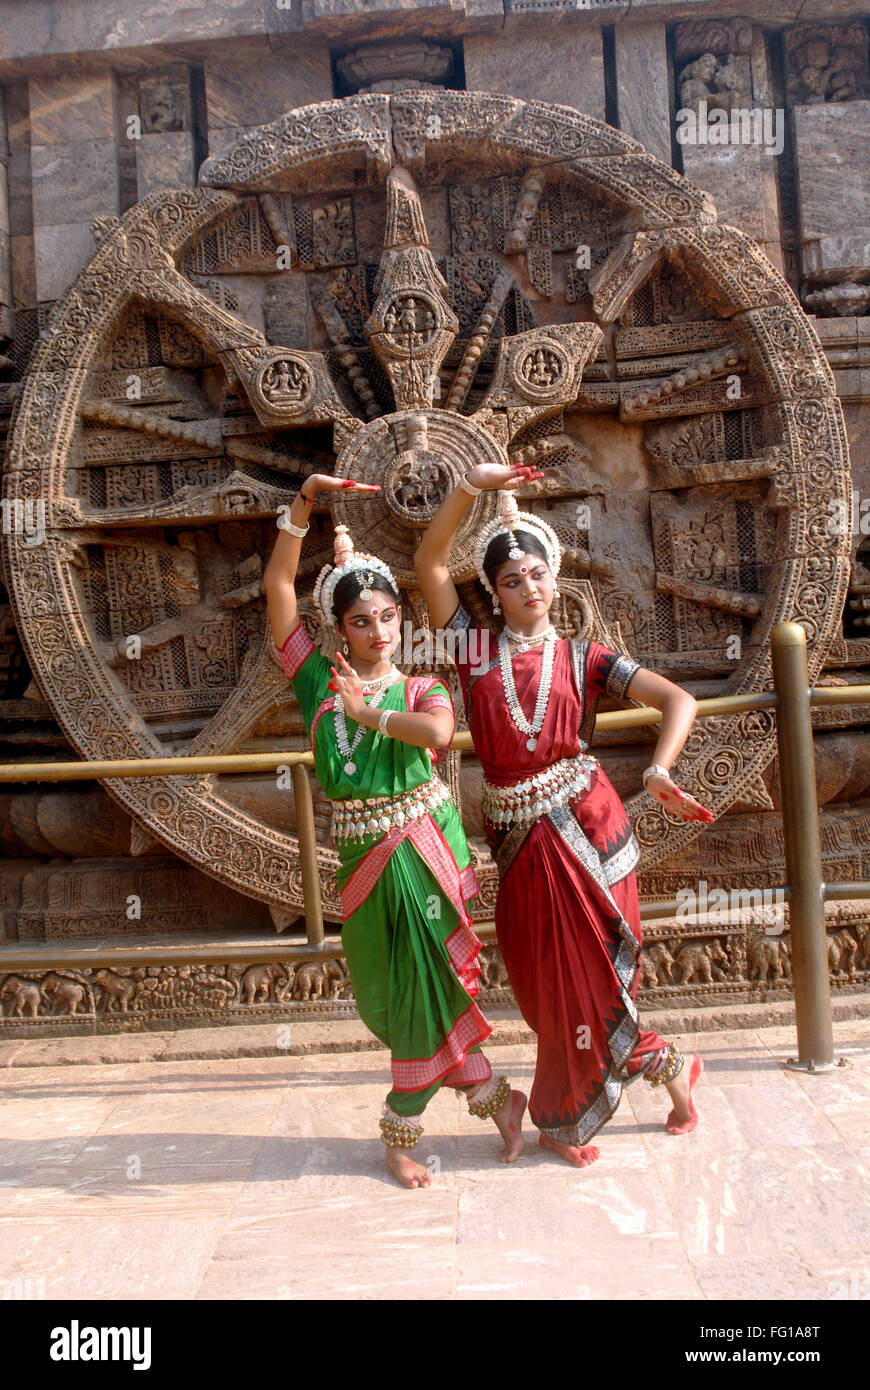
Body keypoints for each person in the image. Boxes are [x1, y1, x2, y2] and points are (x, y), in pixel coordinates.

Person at [414, 462, 714, 1168]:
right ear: (493, 590)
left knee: (602, 976)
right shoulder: (473, 650)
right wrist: (472, 486)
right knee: (545, 982)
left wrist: (660, 768)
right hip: (518, 835)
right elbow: (428, 560)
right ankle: (671, 1072)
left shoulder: (587, 658)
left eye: (538, 574)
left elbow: (680, 702)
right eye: (512, 580)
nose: (529, 588)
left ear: (556, 578)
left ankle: (562, 1117)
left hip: (591, 828)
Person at [264, 474, 526, 1189]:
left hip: (419, 849)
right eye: (360, 622)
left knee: (426, 985)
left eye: (386, 618)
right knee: (392, 990)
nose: (377, 633)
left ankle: (399, 1131)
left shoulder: (422, 688)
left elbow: (439, 733)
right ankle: (498, 1099)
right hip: (361, 856)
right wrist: (303, 505)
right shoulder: (317, 684)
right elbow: (278, 595)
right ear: (338, 629)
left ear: (400, 619)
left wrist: (369, 713)